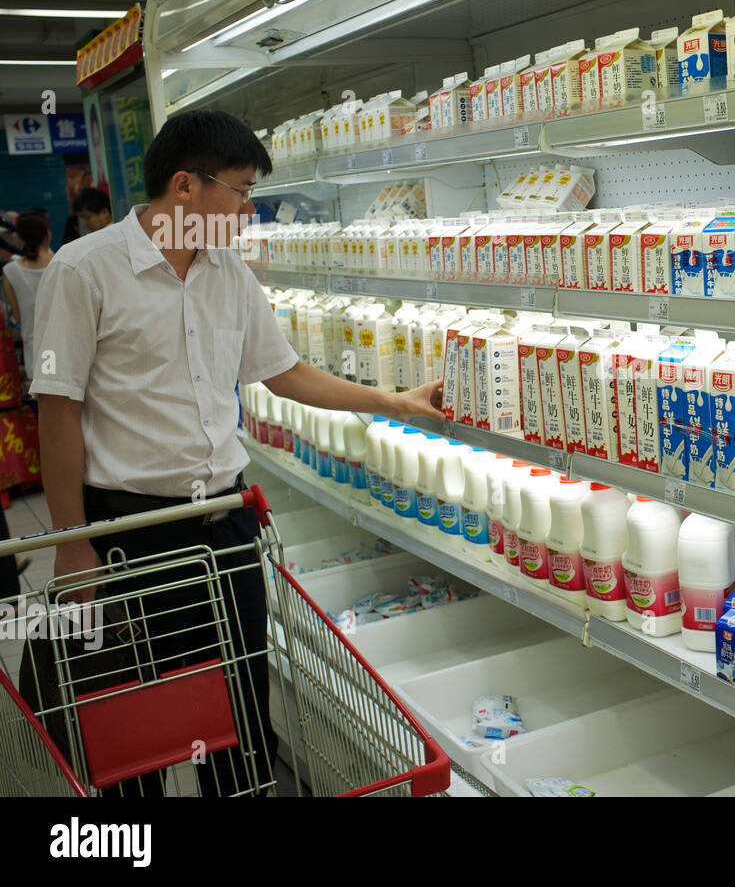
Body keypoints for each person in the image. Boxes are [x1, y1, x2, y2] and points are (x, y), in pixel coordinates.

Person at [30, 108, 444, 795]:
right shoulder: (85, 270)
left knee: (237, 702)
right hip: (130, 530)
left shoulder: (229, 274)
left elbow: (284, 373)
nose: (249, 209)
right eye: (242, 190)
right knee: (138, 719)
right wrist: (73, 543)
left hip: (224, 521)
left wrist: (396, 403)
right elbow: (58, 409)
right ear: (186, 187)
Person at [4, 210, 55, 381]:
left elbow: (17, 315)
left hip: (35, 351)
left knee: (44, 404)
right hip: (67, 347)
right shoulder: (62, 262)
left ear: (18, 237)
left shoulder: (10, 271)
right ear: (47, 234)